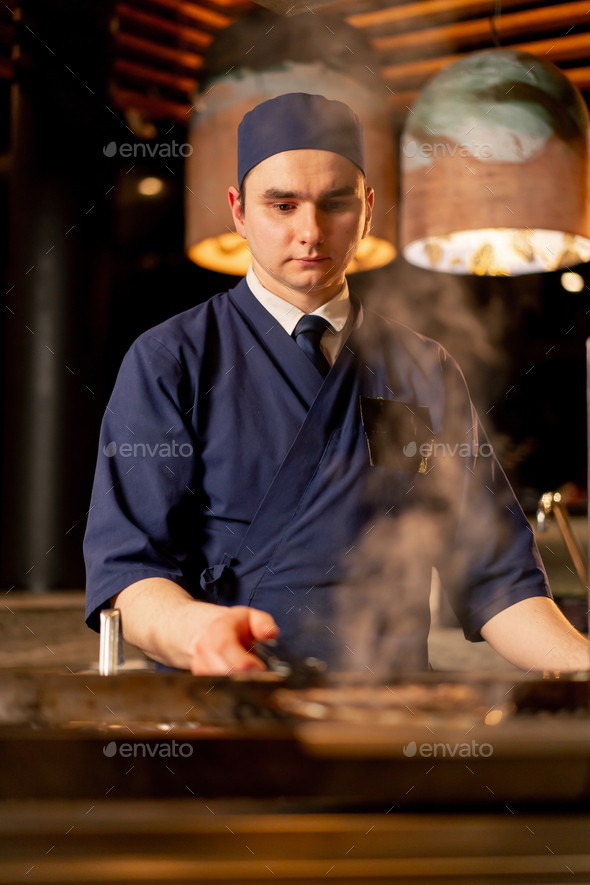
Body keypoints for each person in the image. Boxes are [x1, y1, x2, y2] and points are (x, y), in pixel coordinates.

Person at [83, 92, 589, 676]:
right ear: (238, 212)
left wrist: (581, 664)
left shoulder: (422, 366)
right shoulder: (172, 358)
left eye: (336, 203)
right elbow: (129, 573)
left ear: (368, 210)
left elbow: (496, 574)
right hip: (228, 708)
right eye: (282, 205)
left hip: (390, 711)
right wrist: (199, 631)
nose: (311, 231)